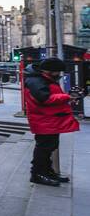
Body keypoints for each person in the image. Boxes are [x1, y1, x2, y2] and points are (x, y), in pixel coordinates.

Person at [23, 57, 79, 186]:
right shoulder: (36, 81)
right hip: (43, 120)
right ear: (50, 71)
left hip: (49, 120)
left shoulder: (42, 79)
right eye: (58, 71)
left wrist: (66, 99)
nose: (59, 74)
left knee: (49, 147)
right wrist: (66, 96)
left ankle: (47, 172)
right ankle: (37, 174)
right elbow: (44, 98)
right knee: (43, 148)